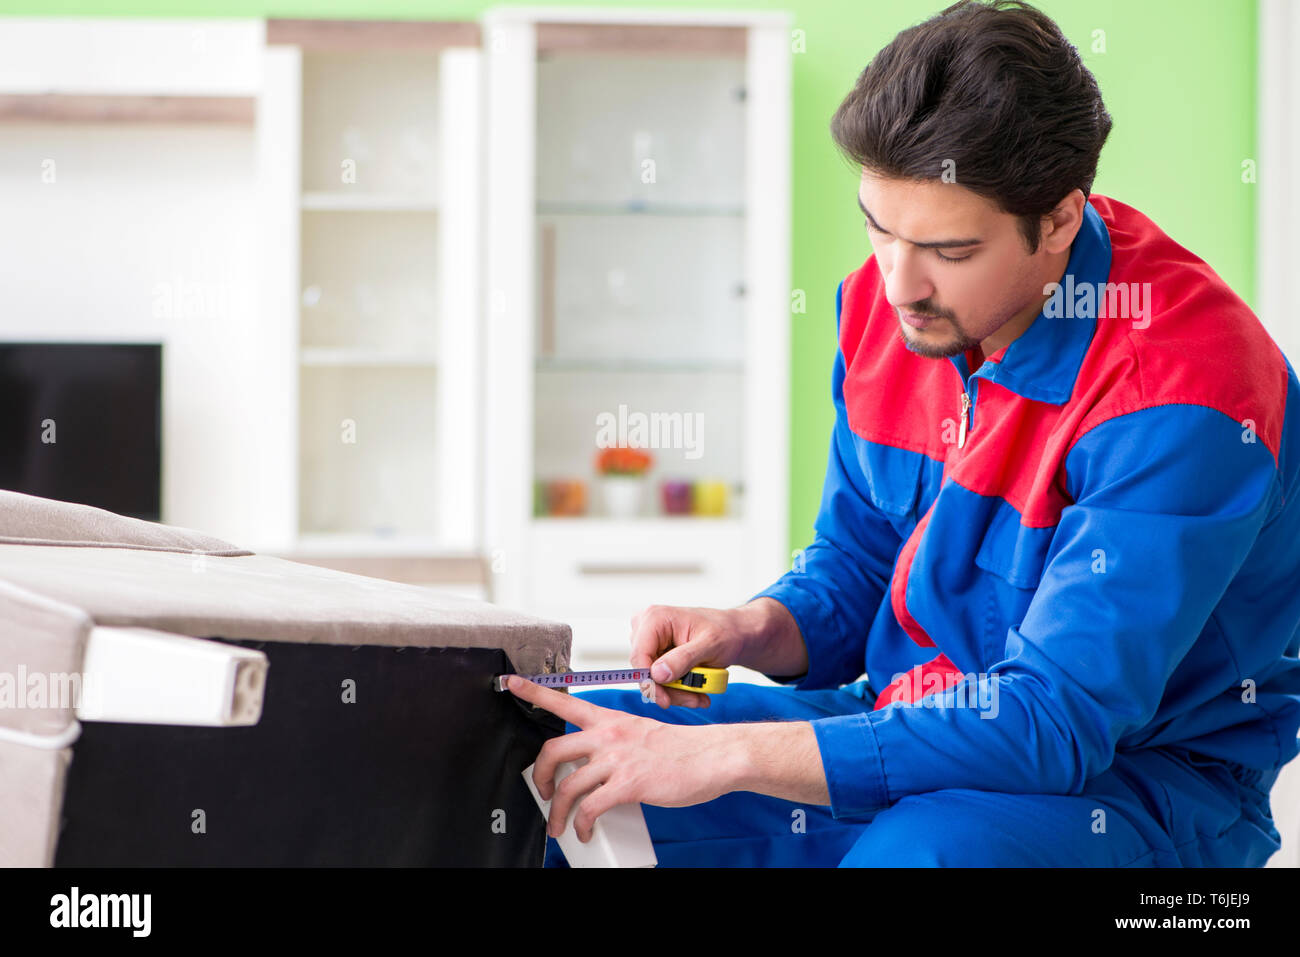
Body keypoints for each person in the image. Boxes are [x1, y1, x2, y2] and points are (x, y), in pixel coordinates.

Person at [506, 0, 1300, 866]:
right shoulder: (894, 311)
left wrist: (727, 753)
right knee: (563, 761)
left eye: (948, 251)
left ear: (1061, 222)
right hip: (902, 720)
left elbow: (1053, 722)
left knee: (919, 853)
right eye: (879, 227)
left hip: (1137, 787)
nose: (897, 285)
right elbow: (856, 568)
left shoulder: (1189, 394)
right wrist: (750, 627)